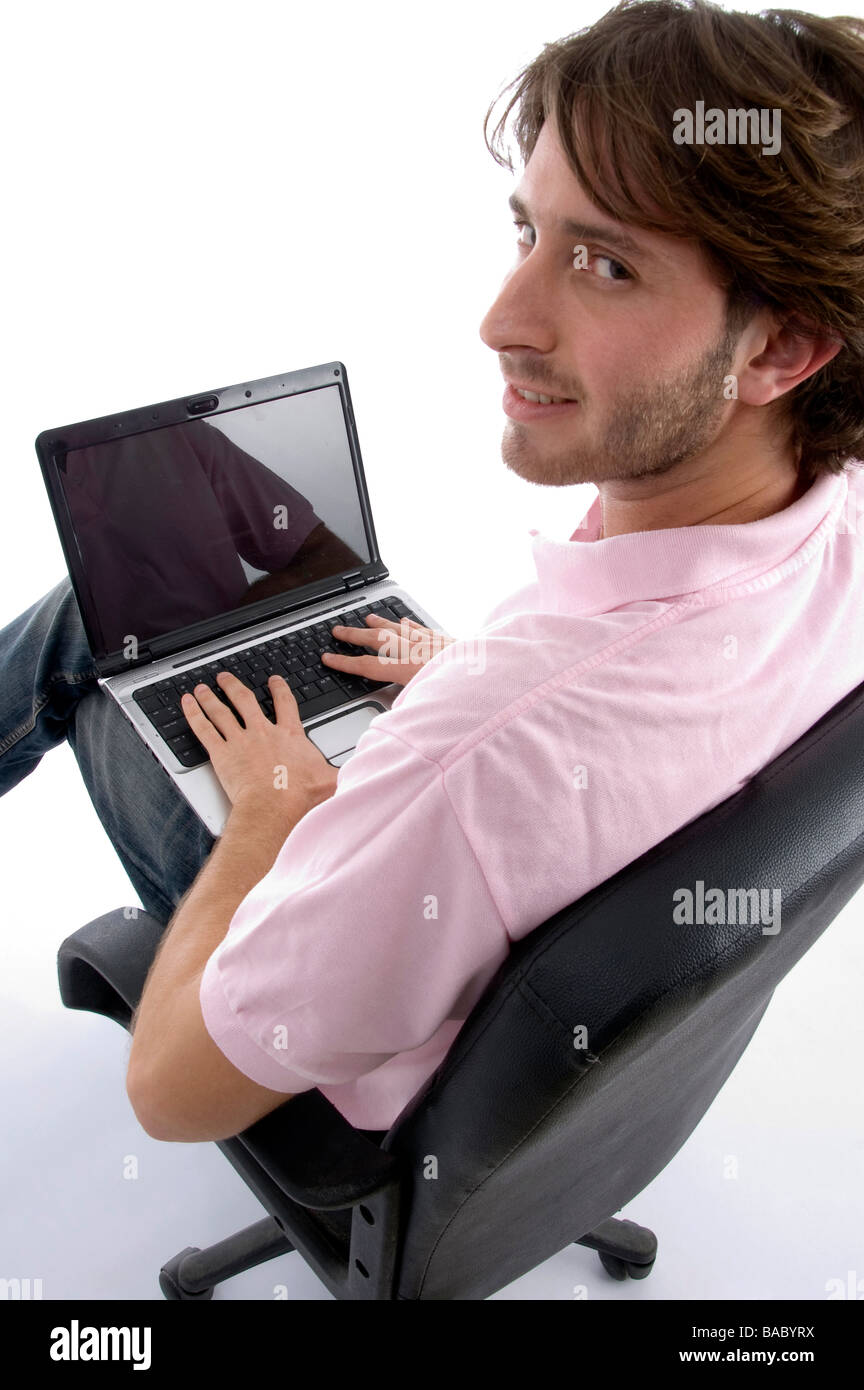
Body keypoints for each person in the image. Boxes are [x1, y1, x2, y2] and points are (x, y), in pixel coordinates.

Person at [5, 0, 864, 1145]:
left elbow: (171, 1094)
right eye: (530, 233)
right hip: (534, 1060)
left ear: (782, 349)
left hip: (358, 1074)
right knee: (213, 536)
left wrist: (272, 812)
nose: (500, 319)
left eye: (607, 264)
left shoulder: (468, 767)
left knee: (100, 624)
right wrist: (475, 670)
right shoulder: (836, 529)